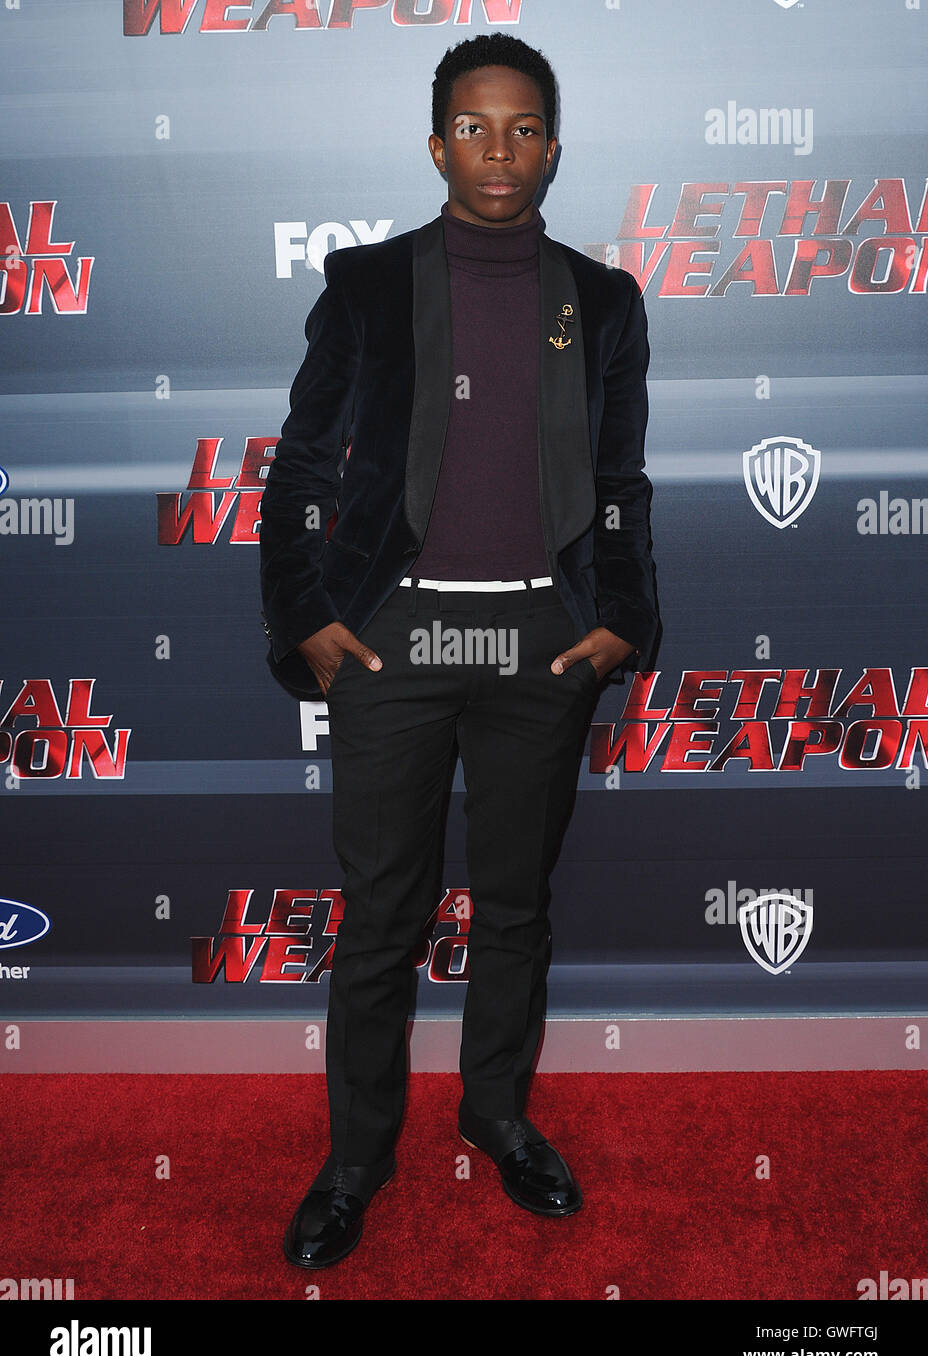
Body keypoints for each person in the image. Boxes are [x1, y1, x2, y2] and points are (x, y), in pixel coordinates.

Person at [259, 32, 659, 1270]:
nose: (500, 149)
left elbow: (617, 482)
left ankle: (496, 1114)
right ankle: (358, 1157)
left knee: (518, 905)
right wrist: (308, 618)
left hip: (543, 639)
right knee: (381, 913)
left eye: (523, 128)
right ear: (436, 144)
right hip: (396, 639)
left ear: (553, 145)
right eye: (474, 128)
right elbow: (302, 469)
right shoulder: (370, 284)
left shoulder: (601, 302)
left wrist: (616, 621)